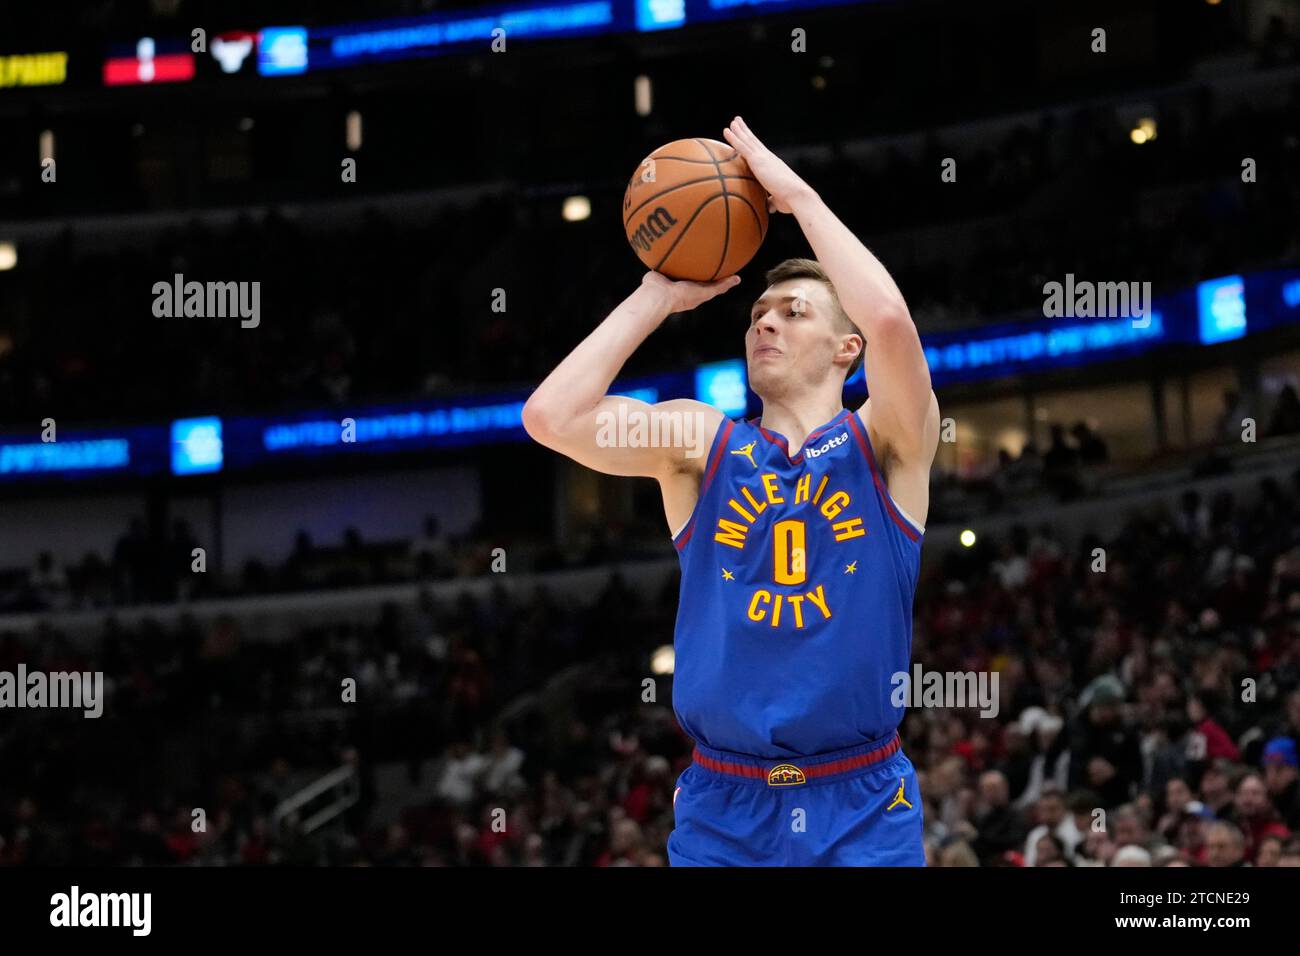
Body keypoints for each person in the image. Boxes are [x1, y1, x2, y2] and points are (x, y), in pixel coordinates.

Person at [523, 116, 940, 865]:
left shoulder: (886, 444)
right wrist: (655, 296)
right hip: (725, 803)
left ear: (848, 350)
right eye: (756, 313)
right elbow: (552, 417)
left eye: (793, 311)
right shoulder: (701, 444)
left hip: (862, 798)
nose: (765, 323)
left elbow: (890, 320)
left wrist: (801, 200)